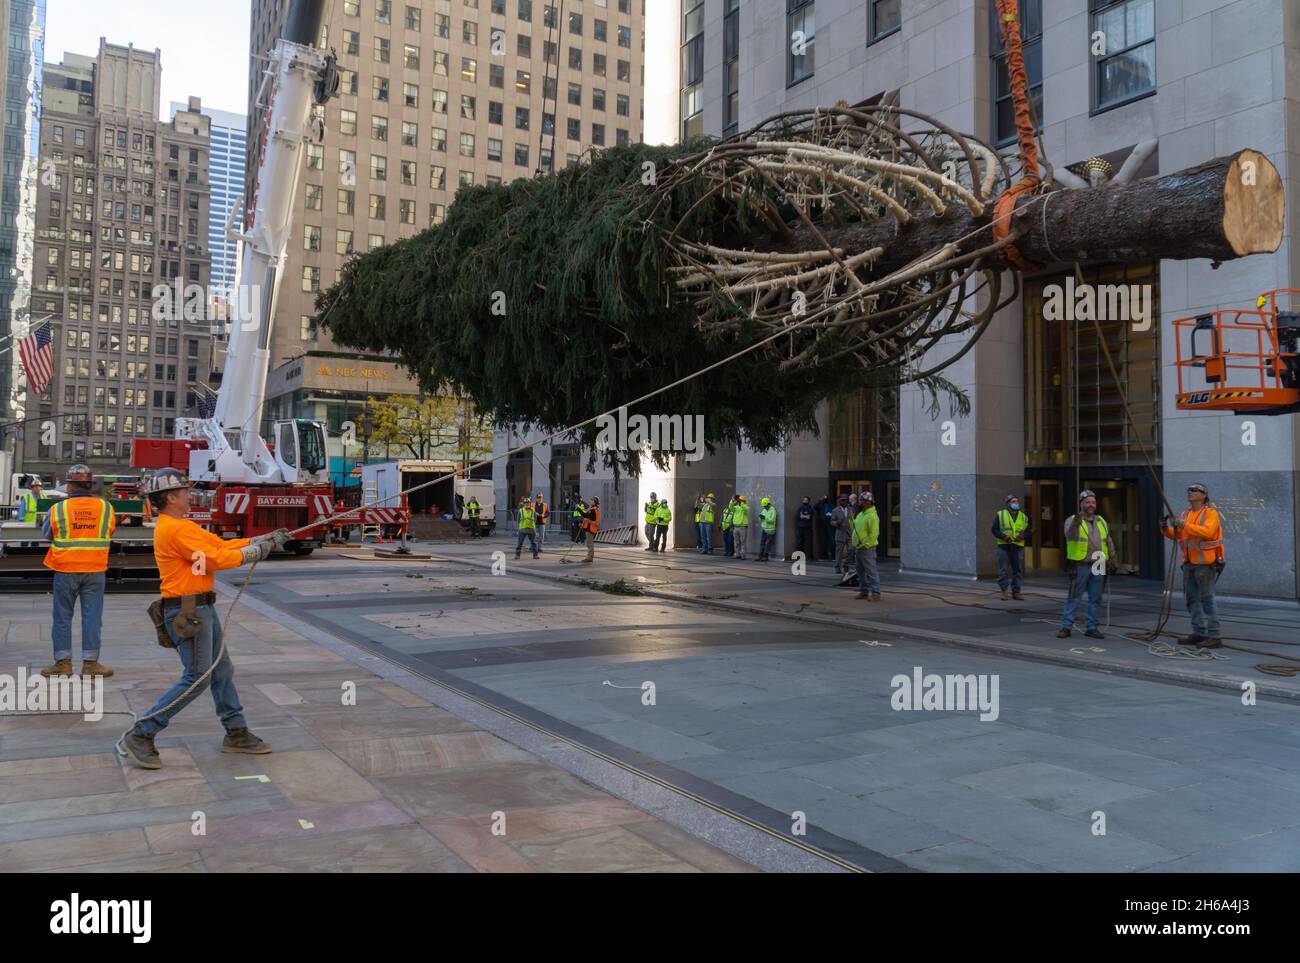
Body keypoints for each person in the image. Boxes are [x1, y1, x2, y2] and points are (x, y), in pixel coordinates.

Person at [120, 469, 281, 770]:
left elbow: (218, 546)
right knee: (197, 678)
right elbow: (214, 560)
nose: (189, 495)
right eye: (184, 492)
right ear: (171, 497)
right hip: (189, 611)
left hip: (198, 608)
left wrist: (259, 539)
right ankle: (142, 733)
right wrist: (258, 552)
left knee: (221, 670)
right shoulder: (175, 531)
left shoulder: (181, 526)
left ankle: (236, 732)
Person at [40, 465, 115, 679]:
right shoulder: (105, 508)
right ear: (89, 485)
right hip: (95, 570)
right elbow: (109, 531)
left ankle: (63, 664)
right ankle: (90, 665)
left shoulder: (58, 509)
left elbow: (48, 534)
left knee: (62, 617)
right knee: (92, 616)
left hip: (66, 570)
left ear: (70, 485)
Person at [1162, 483, 1225, 649]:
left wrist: (1184, 525)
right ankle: (1199, 632)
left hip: (1205, 563)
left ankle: (1214, 635)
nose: (1190, 492)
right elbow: (1179, 535)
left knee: (1207, 599)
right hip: (1189, 563)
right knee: (1192, 600)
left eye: (1194, 490)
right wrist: (1165, 529)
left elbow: (1208, 532)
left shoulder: (1210, 513)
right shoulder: (1185, 514)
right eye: (1189, 490)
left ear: (1204, 495)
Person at [1057, 490, 1116, 640]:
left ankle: (1092, 627)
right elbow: (1069, 537)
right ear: (1081, 504)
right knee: (1074, 596)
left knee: (1096, 597)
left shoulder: (1101, 520)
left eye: (1093, 502)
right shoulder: (1072, 520)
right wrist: (1076, 523)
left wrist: (1113, 559)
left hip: (1099, 561)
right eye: (1087, 502)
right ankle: (1066, 626)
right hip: (1080, 563)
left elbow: (1108, 540)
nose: (1091, 505)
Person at [992, 494, 1031, 600]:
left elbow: (1028, 531)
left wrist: (1022, 536)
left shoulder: (1023, 517)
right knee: (1003, 570)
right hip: (1004, 546)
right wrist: (1004, 537)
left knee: (1017, 570)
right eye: (1013, 501)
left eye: (1017, 502)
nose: (1016, 503)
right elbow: (994, 529)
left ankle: (1016, 592)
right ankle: (1004, 591)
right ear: (1008, 503)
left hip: (1017, 546)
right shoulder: (1000, 515)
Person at [852, 491, 881, 600]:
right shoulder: (861, 514)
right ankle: (864, 591)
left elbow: (874, 533)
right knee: (860, 571)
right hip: (859, 547)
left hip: (867, 548)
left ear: (868, 502)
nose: (860, 502)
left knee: (871, 571)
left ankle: (876, 593)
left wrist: (867, 544)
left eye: (862, 501)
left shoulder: (872, 516)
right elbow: (855, 527)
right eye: (860, 500)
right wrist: (851, 519)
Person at [831, 494, 852, 574]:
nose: (844, 501)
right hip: (840, 533)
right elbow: (832, 521)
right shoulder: (835, 510)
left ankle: (846, 563)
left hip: (850, 533)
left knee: (851, 549)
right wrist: (836, 523)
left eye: (845, 500)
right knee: (839, 552)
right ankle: (837, 567)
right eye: (842, 500)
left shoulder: (851, 509)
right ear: (839, 501)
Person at [580, 495, 601, 563]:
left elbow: (586, 516)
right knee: (589, 543)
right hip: (589, 528)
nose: (590, 501)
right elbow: (586, 515)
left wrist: (579, 510)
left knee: (589, 543)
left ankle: (589, 557)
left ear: (594, 502)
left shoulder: (593, 510)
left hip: (591, 528)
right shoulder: (592, 509)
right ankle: (589, 557)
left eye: (592, 500)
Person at [795, 496, 815, 560]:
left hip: (808, 529)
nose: (805, 501)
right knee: (799, 543)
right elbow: (799, 517)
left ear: (809, 501)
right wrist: (805, 516)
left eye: (806, 500)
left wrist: (803, 516)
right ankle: (798, 557)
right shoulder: (800, 508)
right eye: (804, 500)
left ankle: (809, 557)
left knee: (808, 543)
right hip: (800, 528)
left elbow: (809, 517)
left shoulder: (811, 509)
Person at [732, 495, 750, 560]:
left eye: (741, 500)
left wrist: (741, 503)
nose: (739, 501)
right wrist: (732, 501)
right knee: (736, 542)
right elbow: (730, 508)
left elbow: (746, 509)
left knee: (743, 542)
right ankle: (737, 554)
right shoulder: (736, 507)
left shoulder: (745, 507)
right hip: (736, 527)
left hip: (743, 527)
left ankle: (743, 555)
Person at [816, 495, 834, 561]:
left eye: (826, 498)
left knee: (831, 540)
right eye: (824, 498)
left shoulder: (831, 505)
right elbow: (815, 507)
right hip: (822, 525)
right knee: (823, 541)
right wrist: (820, 500)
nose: (825, 499)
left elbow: (834, 513)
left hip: (830, 525)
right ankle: (824, 556)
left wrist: (830, 515)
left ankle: (833, 557)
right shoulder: (821, 505)